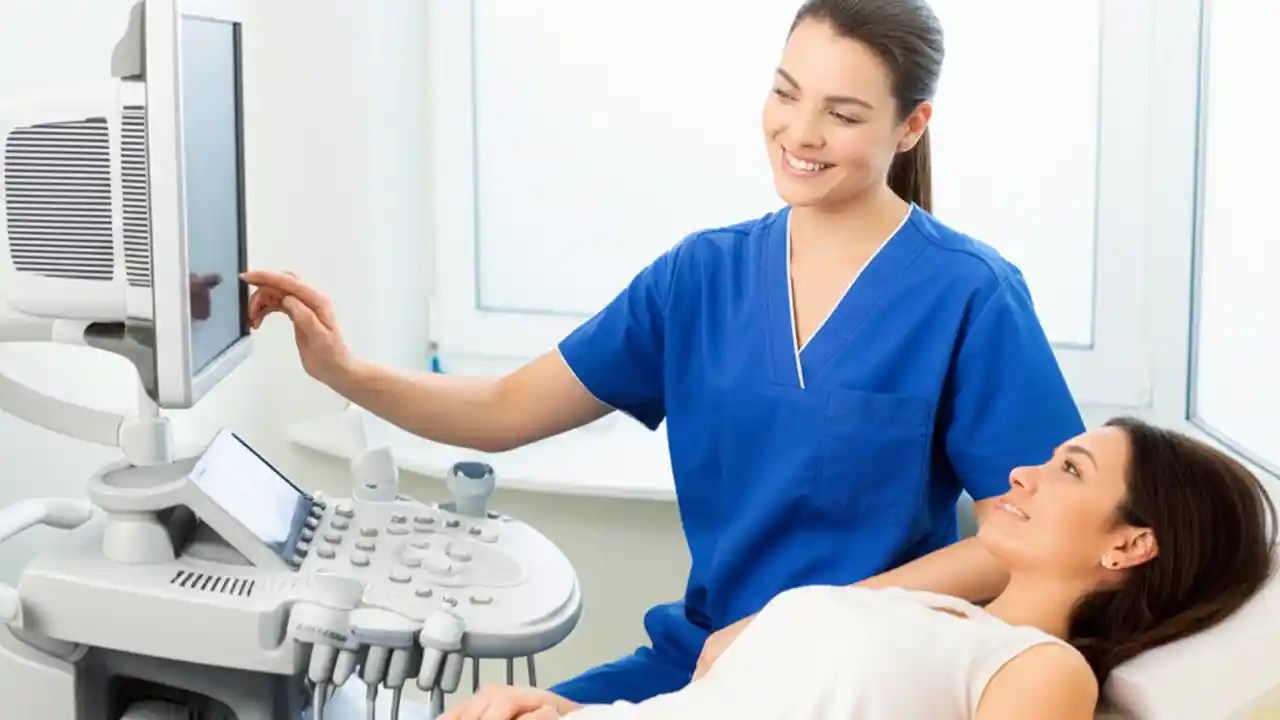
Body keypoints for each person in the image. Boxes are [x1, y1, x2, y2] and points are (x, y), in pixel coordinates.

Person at [241, 0, 1086, 705]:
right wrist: (343, 371)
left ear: (912, 127)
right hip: (703, 662)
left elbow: (1033, 535)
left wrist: (806, 624)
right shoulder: (701, 276)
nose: (800, 131)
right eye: (786, 94)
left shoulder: (970, 294)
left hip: (858, 678)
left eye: (843, 113)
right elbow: (505, 411)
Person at [438, 418, 1279, 719]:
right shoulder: (936, 617)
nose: (1022, 473)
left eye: (1069, 470)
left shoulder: (1043, 670)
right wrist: (557, 706)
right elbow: (722, 673)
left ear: (1130, 545)